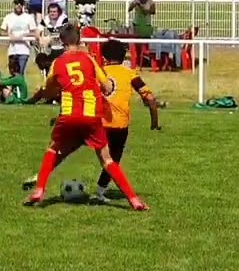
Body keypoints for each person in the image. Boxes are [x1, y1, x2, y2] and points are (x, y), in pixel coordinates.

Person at [22, 24, 147, 211]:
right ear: (79, 40)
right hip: (91, 116)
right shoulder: (89, 59)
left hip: (68, 115)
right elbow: (106, 87)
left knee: (53, 149)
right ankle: (134, 200)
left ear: (62, 41)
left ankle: (40, 189)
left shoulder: (58, 63)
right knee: (107, 160)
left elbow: (47, 91)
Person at [93, 39, 161, 202]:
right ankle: (100, 191)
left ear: (104, 56)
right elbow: (150, 98)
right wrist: (154, 121)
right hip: (119, 126)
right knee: (113, 160)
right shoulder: (129, 73)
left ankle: (44, 176)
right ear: (123, 56)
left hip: (97, 123)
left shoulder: (99, 72)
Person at [0, 0, 39, 76]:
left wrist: (24, 35)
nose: (19, 5)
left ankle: (21, 88)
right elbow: (2, 32)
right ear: (13, 4)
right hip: (12, 50)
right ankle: (15, 88)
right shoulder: (8, 17)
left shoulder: (28, 18)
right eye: (17, 3)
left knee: (20, 73)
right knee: (13, 74)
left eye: (21, 3)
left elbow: (34, 32)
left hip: (24, 50)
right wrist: (10, 35)